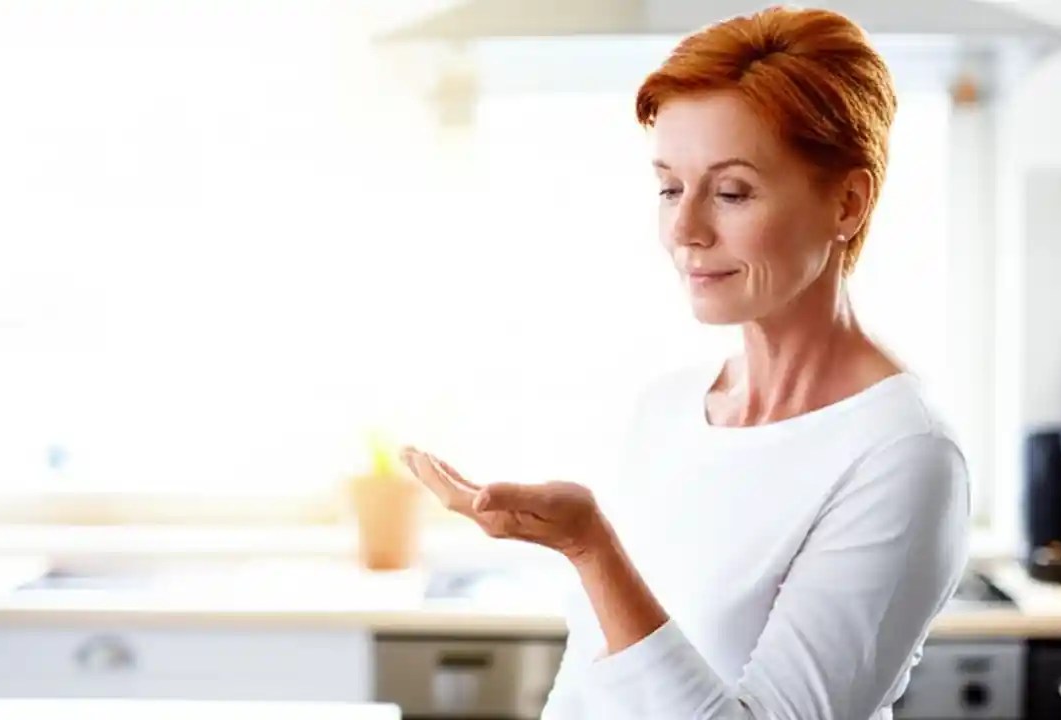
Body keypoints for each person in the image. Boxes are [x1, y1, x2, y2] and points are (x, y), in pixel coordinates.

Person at [399, 6, 969, 719]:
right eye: (670, 186)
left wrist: (592, 550)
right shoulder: (669, 408)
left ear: (848, 203)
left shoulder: (901, 453)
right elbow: (590, 687)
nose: (684, 229)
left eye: (732, 192)